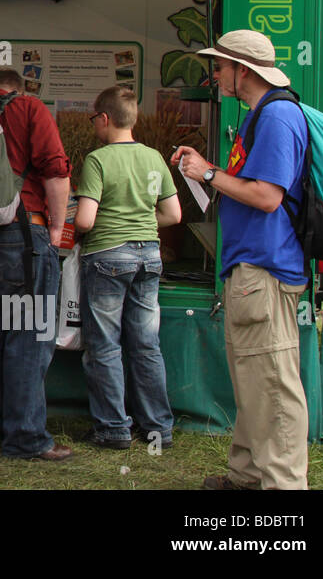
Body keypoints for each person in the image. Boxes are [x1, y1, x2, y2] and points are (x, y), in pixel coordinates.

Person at [172, 30, 309, 490]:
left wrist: (210, 174)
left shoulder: (276, 117)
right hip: (253, 270)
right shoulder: (261, 115)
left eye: (221, 66)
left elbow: (268, 197)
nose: (216, 74)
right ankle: (249, 478)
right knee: (255, 383)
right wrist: (209, 170)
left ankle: (283, 488)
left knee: (272, 389)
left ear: (242, 71)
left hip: (264, 272)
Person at [0, 68, 72, 460]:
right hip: (22, 233)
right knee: (26, 336)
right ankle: (24, 438)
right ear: (18, 89)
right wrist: (56, 229)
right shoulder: (29, 108)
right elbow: (56, 171)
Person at [72, 86, 181, 450]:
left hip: (107, 256)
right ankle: (157, 430)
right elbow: (173, 214)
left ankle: (113, 429)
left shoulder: (98, 160)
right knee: (146, 346)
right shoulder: (154, 158)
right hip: (149, 255)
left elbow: (85, 221)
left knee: (104, 347)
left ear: (104, 119)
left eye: (94, 120)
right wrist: (138, 220)